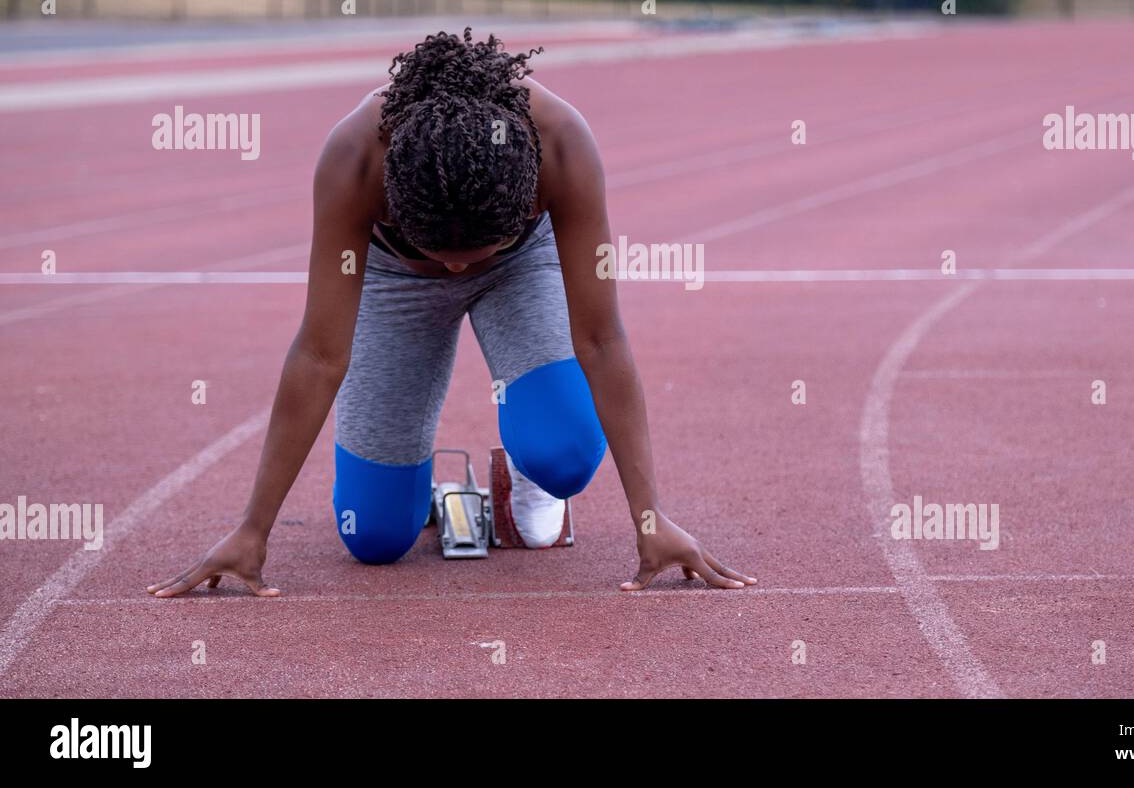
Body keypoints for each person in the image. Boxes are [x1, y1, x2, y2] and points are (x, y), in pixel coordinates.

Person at [148, 29, 755, 597]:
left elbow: (600, 337)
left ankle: (526, 465)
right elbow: (320, 352)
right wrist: (253, 531)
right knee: (377, 539)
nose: (458, 269)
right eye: (444, 254)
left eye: (473, 255)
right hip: (394, 279)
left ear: (523, 200)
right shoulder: (354, 159)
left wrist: (650, 518)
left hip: (520, 268)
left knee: (565, 457)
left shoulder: (563, 145)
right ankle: (419, 493)